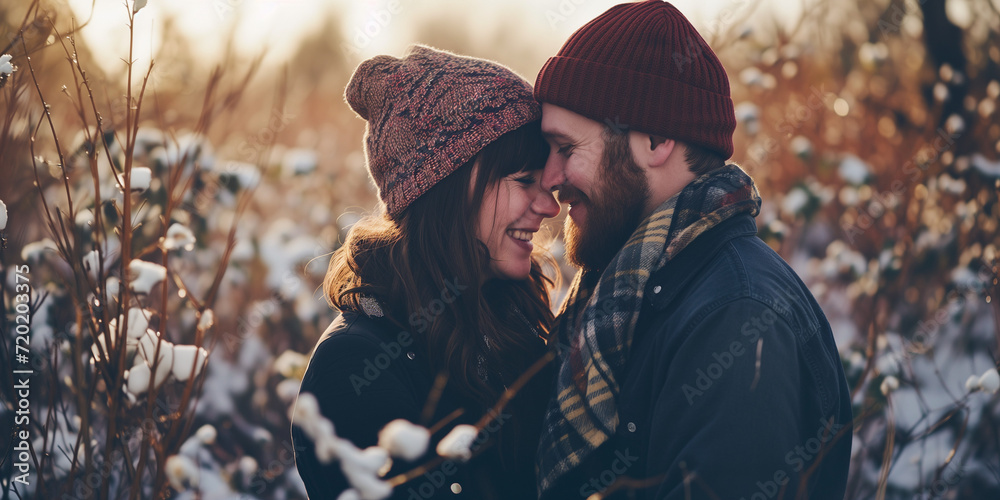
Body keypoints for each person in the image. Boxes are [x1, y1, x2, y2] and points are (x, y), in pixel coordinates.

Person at [532, 2, 853, 499]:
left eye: (566, 148)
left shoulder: (735, 317)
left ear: (656, 140)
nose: (550, 180)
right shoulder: (624, 292)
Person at [291, 45, 561, 500]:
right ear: (447, 189)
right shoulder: (357, 368)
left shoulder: (504, 319)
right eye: (523, 181)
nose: (550, 206)